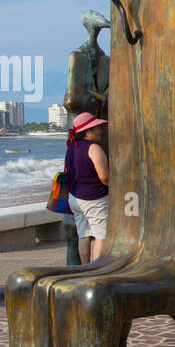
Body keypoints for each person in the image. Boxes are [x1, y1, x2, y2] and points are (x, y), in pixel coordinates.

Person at [66, 112, 109, 263]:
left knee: (83, 234)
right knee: (101, 235)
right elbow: (104, 177)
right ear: (88, 131)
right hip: (94, 199)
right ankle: (96, 271)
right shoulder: (93, 148)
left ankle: (84, 268)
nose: (101, 131)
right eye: (97, 128)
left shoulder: (72, 147)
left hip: (75, 198)